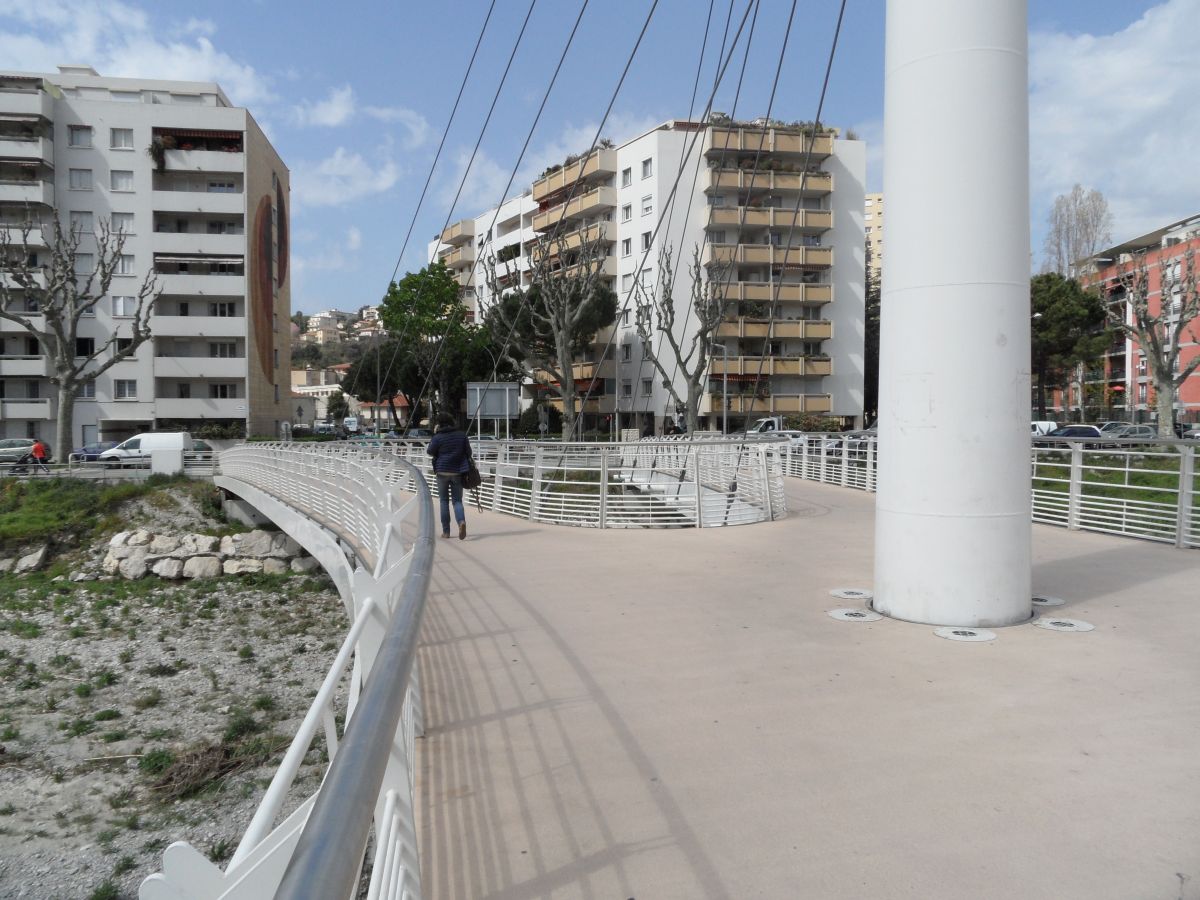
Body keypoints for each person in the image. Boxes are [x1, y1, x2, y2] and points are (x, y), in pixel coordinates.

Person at [427, 412, 472, 540]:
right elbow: (469, 452)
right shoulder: (461, 435)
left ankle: (446, 532)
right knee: (457, 501)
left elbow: (430, 451)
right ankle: (461, 522)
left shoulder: (438, 437)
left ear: (439, 424)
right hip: (457, 471)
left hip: (442, 471)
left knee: (443, 501)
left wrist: (435, 435)